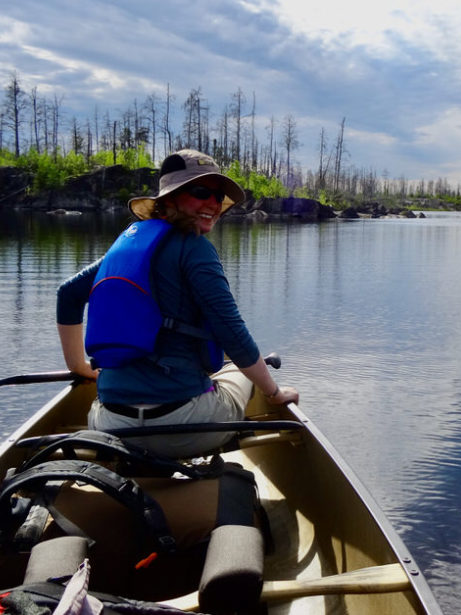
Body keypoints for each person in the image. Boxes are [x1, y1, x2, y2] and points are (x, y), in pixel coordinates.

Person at [56, 149, 298, 458]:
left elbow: (68, 294)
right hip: (183, 428)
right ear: (170, 198)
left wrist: (79, 367)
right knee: (240, 373)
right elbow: (232, 335)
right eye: (201, 192)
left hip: (110, 427)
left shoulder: (128, 244)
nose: (213, 204)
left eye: (218, 196)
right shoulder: (196, 249)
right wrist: (274, 392)